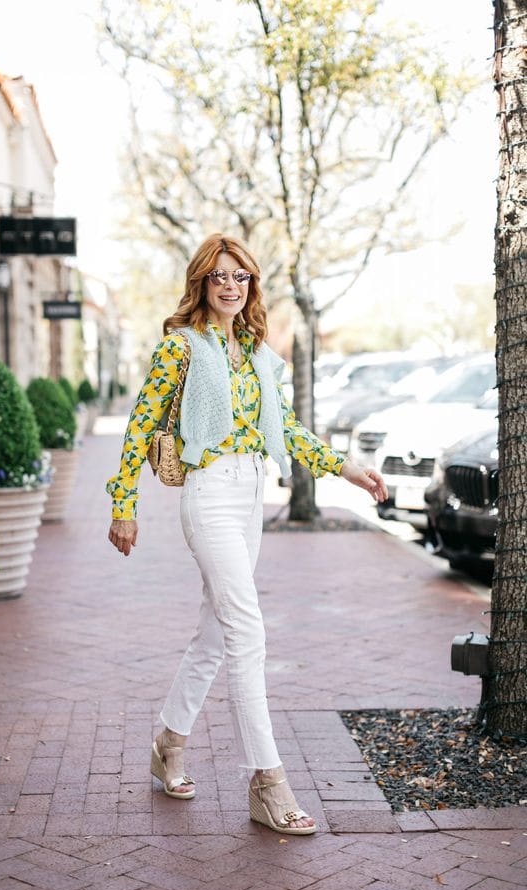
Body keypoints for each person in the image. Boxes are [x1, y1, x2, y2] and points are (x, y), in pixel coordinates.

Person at [107, 233, 388, 835]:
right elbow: (139, 427)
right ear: (202, 285)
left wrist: (348, 469)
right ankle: (267, 781)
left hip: (249, 495)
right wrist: (123, 503)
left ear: (250, 286)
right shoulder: (179, 349)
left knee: (214, 636)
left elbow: (286, 431)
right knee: (247, 631)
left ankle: (168, 742)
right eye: (219, 277)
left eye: (241, 277)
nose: (231, 286)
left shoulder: (260, 355)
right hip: (206, 494)